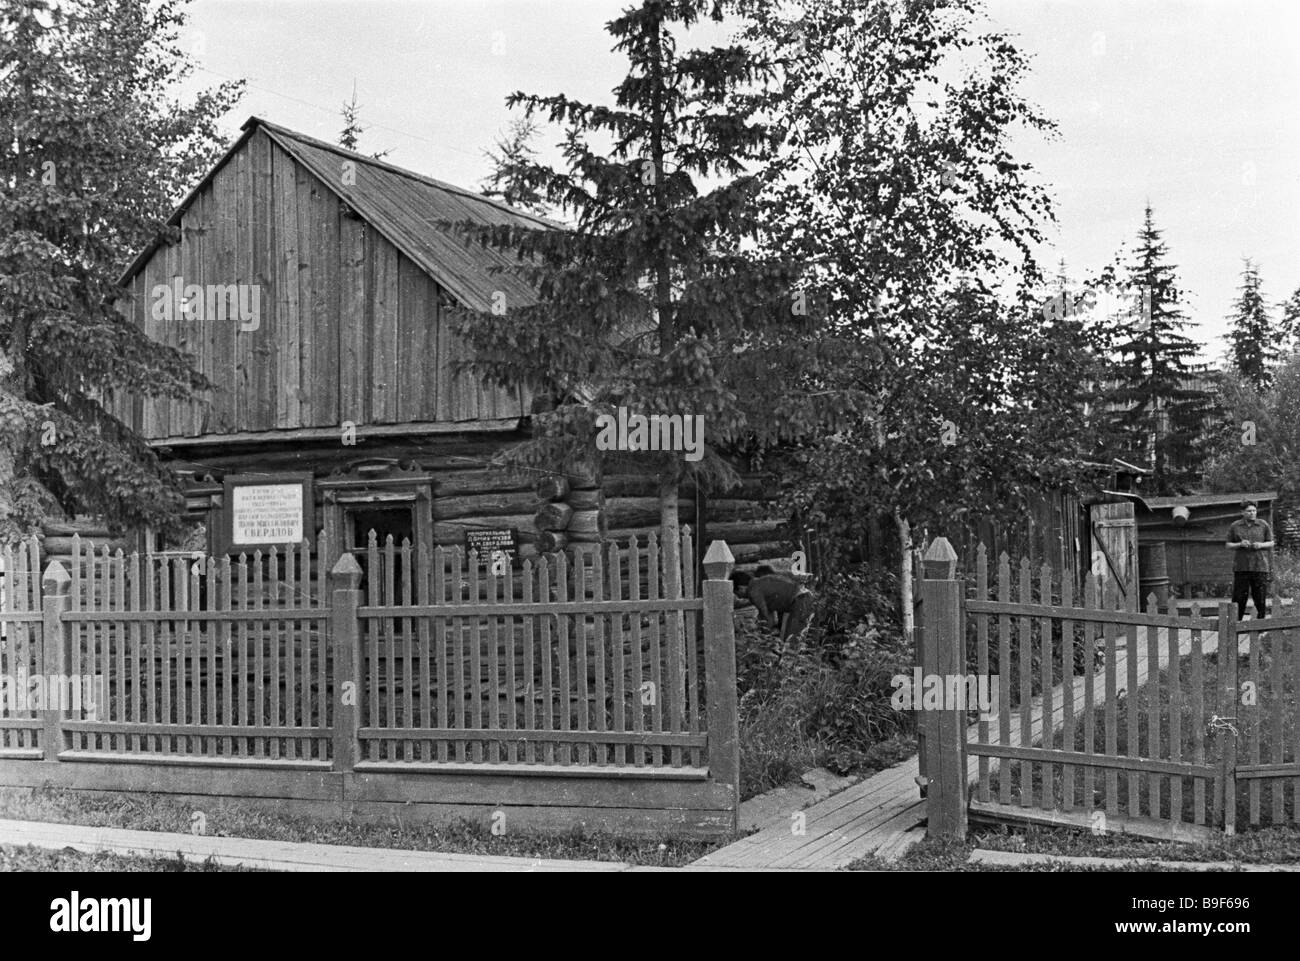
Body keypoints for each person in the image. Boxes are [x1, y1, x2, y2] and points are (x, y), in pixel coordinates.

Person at [731, 569, 815, 641]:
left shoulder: (753, 591)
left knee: (792, 641)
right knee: (794, 637)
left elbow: (766, 616)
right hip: (804, 597)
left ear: (741, 587)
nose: (738, 597)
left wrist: (765, 636)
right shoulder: (759, 583)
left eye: (736, 593)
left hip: (801, 600)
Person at [1226, 500, 1274, 620]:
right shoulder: (1235, 526)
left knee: (1260, 597)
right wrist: (1239, 544)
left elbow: (1271, 542)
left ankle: (1261, 623)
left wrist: (1261, 545)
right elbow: (1228, 545)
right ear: (1242, 512)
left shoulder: (1263, 524)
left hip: (1260, 566)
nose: (1252, 513)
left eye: (1254, 510)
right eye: (1249, 511)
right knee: (1239, 597)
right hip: (1242, 566)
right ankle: (1236, 623)